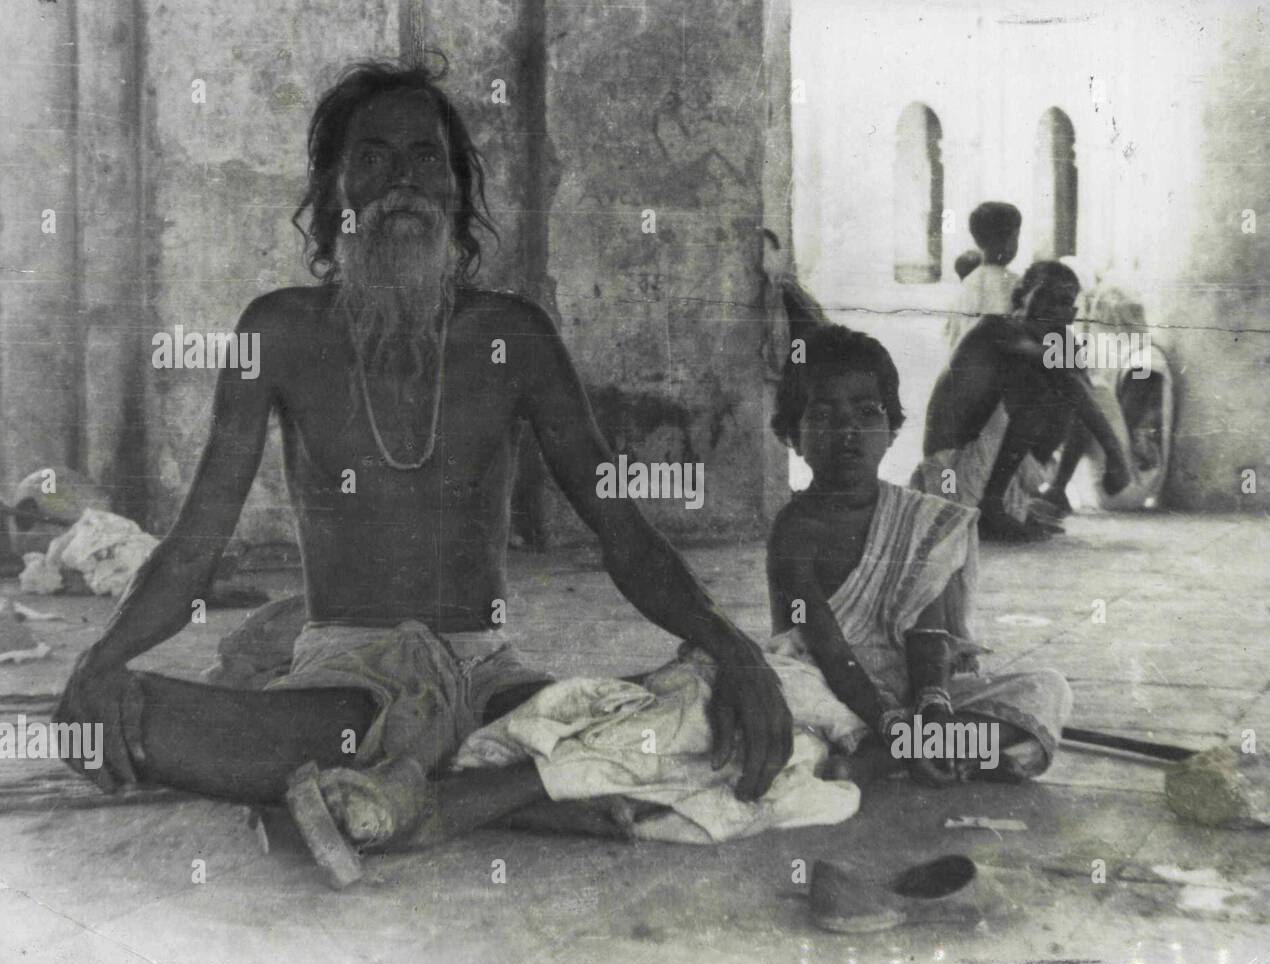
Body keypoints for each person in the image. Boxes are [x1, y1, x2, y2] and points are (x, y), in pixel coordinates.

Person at [54, 61, 793, 868]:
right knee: (119, 715)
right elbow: (196, 544)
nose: (401, 179)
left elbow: (620, 528)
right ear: (335, 192)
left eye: (425, 157)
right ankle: (510, 789)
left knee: (710, 704)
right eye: (372, 158)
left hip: (486, 678)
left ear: (457, 191)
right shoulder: (278, 330)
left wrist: (733, 645)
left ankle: (421, 794)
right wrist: (98, 664)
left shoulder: (515, 334)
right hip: (343, 678)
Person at [766, 323, 1072, 788]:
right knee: (773, 699)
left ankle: (885, 760)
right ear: (792, 435)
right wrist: (893, 724)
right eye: (824, 415)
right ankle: (921, 754)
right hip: (827, 684)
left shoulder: (924, 520)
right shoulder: (795, 530)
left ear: (892, 429)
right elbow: (826, 648)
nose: (849, 428)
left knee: (1046, 690)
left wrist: (932, 704)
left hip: (910, 683)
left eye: (867, 412)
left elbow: (930, 629)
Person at [918, 261, 1132, 540]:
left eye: (1063, 303)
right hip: (946, 481)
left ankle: (1010, 502)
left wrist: (1059, 486)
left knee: (1079, 392)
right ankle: (993, 506)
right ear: (1020, 297)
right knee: (1043, 380)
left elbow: (1081, 397)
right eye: (1044, 298)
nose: (1053, 310)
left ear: (1072, 314)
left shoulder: (1062, 345)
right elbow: (1060, 376)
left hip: (982, 480)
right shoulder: (996, 328)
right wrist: (1116, 456)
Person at [942, 202, 1022, 351]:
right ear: (1011, 239)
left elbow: (950, 336)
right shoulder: (1016, 284)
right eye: (1016, 236)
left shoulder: (965, 285)